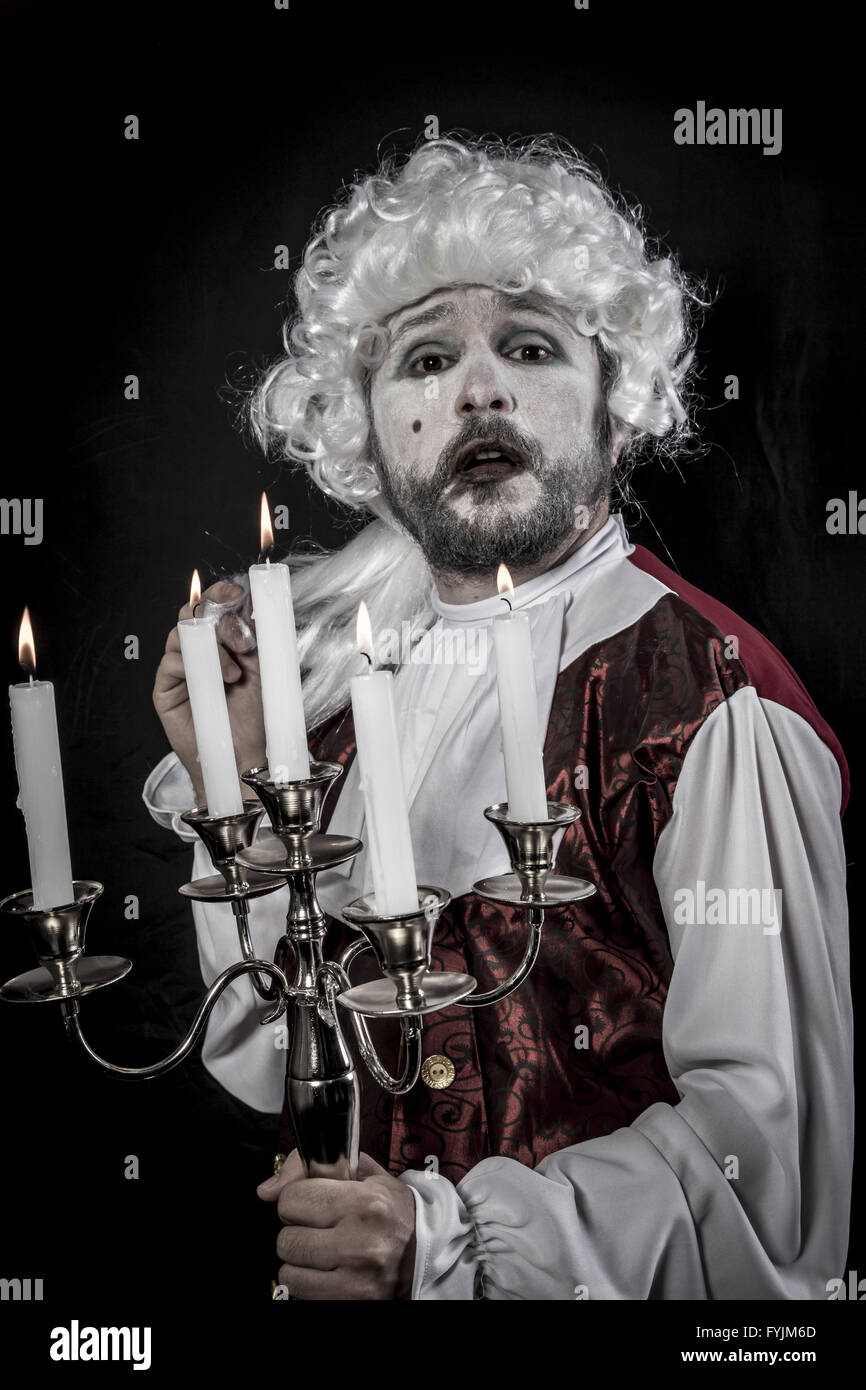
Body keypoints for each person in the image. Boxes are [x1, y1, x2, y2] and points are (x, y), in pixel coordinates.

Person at [145, 135, 853, 1300]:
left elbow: (770, 1179)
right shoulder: (333, 700)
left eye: (528, 348)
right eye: (425, 359)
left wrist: (448, 1246)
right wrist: (244, 788)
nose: (476, 388)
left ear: (616, 412)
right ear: (369, 443)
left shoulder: (710, 703)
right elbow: (281, 1059)